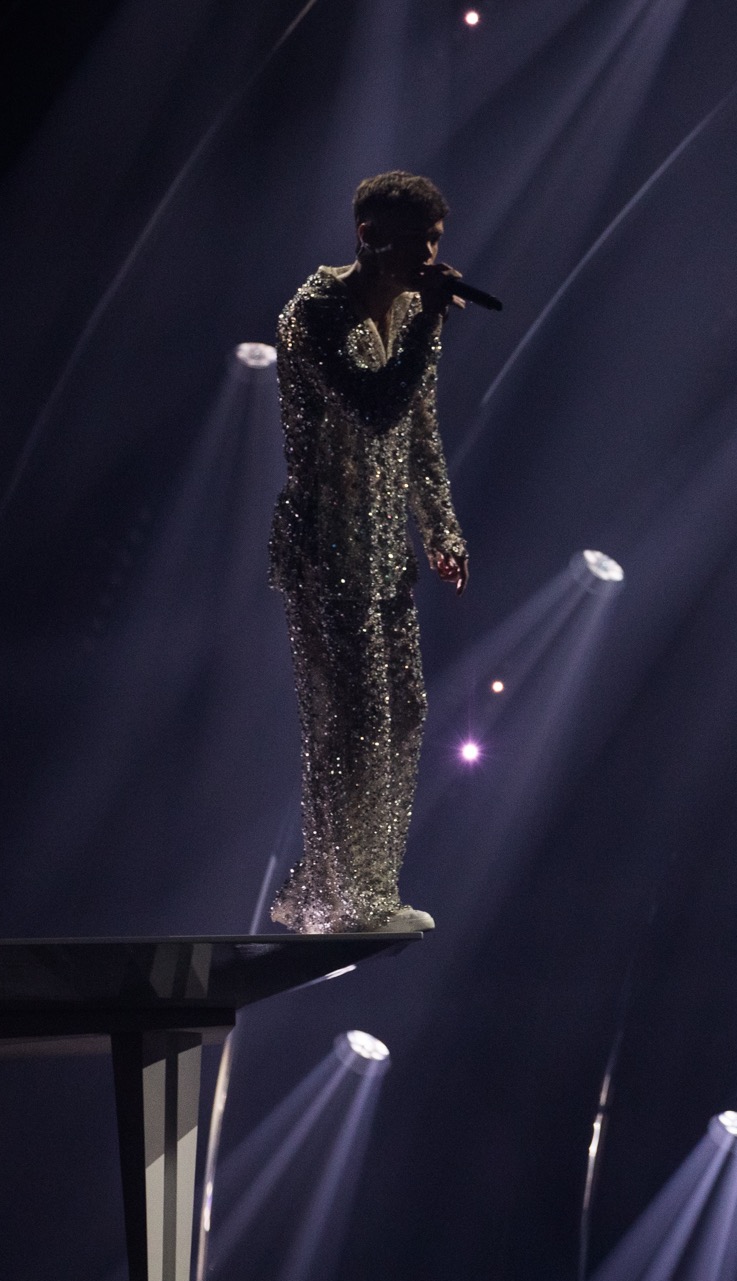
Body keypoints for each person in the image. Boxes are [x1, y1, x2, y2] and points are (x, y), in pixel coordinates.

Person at [267, 170, 470, 934]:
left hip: (385, 547)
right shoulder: (313, 313)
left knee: (406, 711)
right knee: (351, 720)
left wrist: (441, 530)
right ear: (369, 235)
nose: (429, 258)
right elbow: (374, 406)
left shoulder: (414, 310)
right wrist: (426, 329)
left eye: (435, 243)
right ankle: (341, 897)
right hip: (324, 544)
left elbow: (418, 432)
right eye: (417, 242)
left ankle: (370, 889)